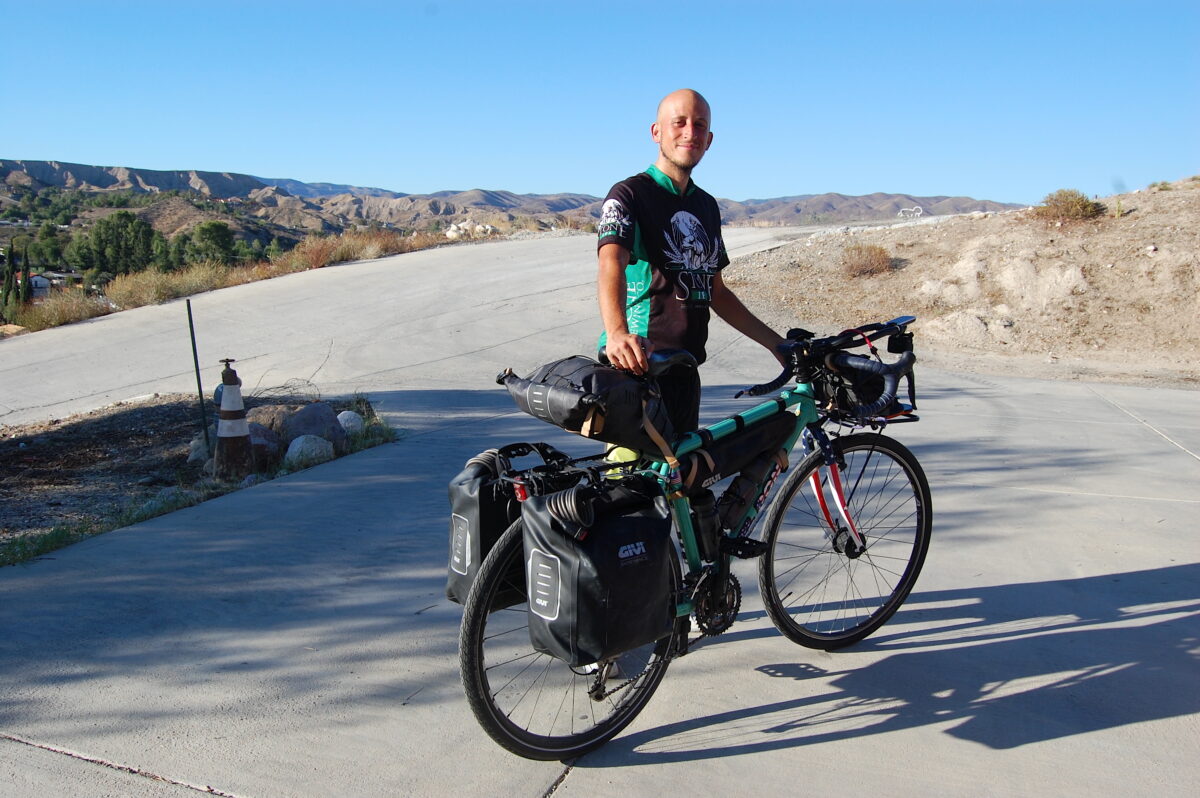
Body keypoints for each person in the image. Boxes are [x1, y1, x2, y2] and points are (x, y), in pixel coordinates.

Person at [596, 88, 786, 433]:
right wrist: (617, 333)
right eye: (679, 123)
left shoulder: (706, 206)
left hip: (685, 370)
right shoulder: (629, 194)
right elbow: (611, 262)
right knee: (631, 483)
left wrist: (778, 344)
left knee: (684, 482)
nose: (690, 133)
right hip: (639, 368)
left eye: (699, 125)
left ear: (710, 139)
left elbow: (716, 292)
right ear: (656, 132)